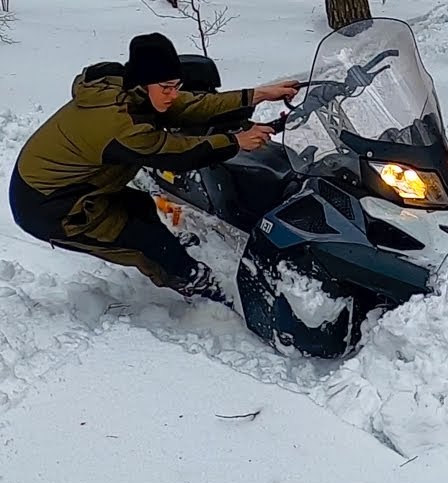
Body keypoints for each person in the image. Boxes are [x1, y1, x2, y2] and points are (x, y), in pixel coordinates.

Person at [8, 33, 299, 305]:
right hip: (48, 206)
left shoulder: (134, 92)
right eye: (166, 88)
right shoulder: (117, 124)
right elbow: (174, 153)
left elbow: (192, 105)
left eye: (177, 85)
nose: (173, 94)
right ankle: (193, 281)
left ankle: (169, 254)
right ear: (143, 83)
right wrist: (235, 141)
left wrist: (259, 94)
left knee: (142, 206)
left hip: (73, 186)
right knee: (141, 241)